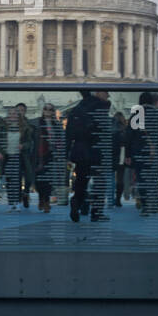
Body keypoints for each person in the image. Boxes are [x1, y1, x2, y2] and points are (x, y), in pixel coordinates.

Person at [66, 89, 112, 222]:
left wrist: (67, 154)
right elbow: (104, 131)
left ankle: (76, 203)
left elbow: (69, 134)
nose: (108, 95)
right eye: (105, 92)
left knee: (81, 181)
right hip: (96, 150)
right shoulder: (101, 108)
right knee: (99, 183)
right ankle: (96, 213)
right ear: (96, 93)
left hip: (80, 151)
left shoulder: (76, 109)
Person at [130, 92, 158, 216]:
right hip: (155, 152)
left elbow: (130, 134)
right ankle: (153, 204)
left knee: (142, 179)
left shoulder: (136, 114)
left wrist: (129, 153)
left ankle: (145, 205)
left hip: (140, 151)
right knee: (154, 179)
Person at [32, 102, 66, 213]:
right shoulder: (37, 123)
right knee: (39, 180)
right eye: (46, 109)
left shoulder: (56, 124)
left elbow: (61, 140)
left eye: (50, 109)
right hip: (39, 155)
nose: (48, 111)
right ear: (43, 110)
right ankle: (42, 198)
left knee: (49, 180)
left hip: (52, 155)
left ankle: (46, 201)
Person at [3, 103, 36, 210]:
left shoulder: (25, 126)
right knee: (9, 180)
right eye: (11, 113)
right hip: (7, 156)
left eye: (16, 113)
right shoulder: (3, 125)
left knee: (17, 179)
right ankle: (10, 201)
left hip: (20, 156)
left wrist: (23, 146)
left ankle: (18, 200)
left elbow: (30, 142)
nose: (14, 115)